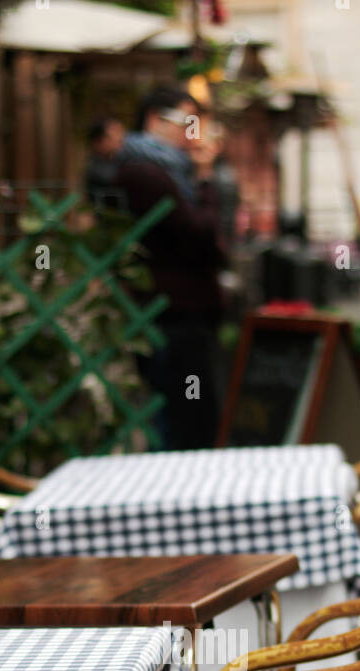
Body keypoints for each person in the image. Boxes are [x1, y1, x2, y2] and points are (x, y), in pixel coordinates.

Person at [115, 86, 227, 449]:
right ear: (154, 120)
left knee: (194, 412)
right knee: (186, 417)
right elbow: (199, 232)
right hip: (171, 312)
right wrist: (207, 178)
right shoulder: (144, 173)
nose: (194, 134)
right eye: (187, 123)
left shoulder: (168, 169)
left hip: (181, 309)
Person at [84, 117, 125, 208]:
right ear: (97, 141)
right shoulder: (96, 169)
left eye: (120, 132)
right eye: (113, 134)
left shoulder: (121, 160)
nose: (119, 138)